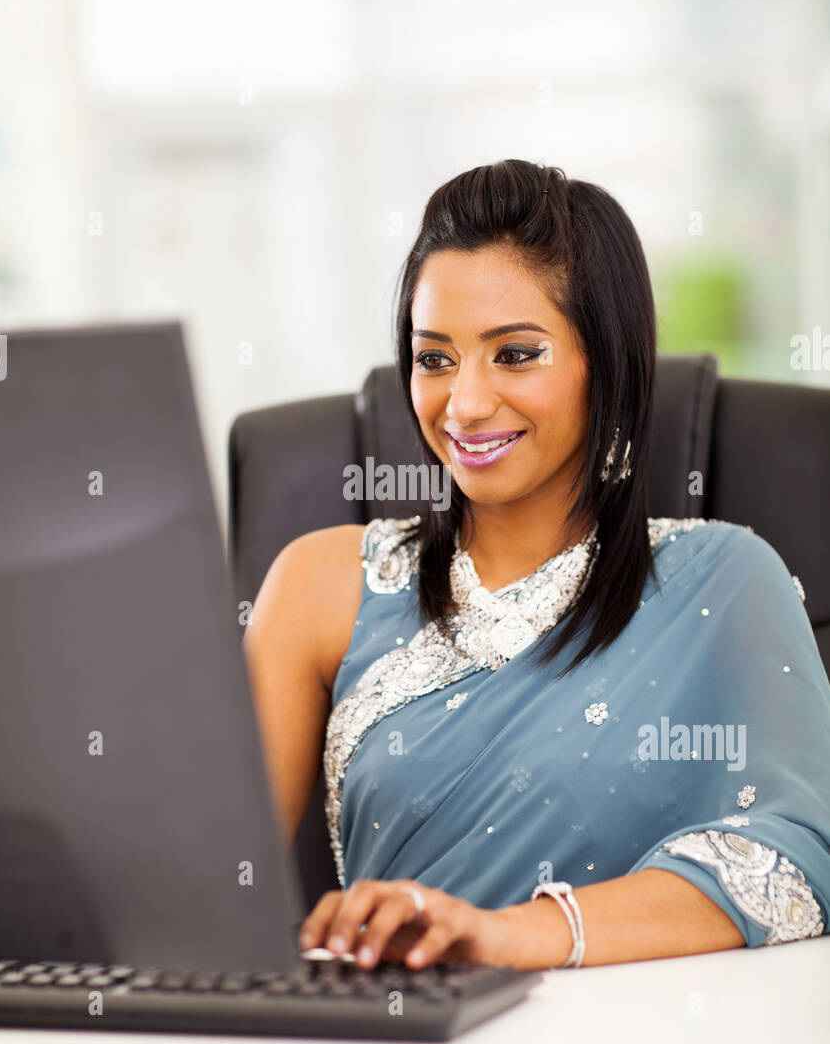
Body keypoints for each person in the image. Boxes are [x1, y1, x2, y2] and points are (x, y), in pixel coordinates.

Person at [244, 159, 830, 972]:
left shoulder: (726, 579)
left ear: (607, 362)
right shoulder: (320, 583)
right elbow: (203, 891)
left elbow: (797, 863)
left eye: (515, 354)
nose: (466, 404)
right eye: (435, 358)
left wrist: (509, 934)